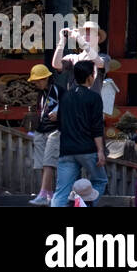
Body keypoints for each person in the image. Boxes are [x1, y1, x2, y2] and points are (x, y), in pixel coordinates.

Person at [52, 60, 107, 207]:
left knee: (62, 191)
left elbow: (60, 123)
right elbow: (97, 127)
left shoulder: (65, 97)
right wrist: (100, 150)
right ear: (90, 77)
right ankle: (82, 205)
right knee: (100, 181)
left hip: (66, 149)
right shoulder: (94, 97)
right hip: (87, 148)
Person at [26, 64, 61, 206]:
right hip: (41, 130)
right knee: (40, 163)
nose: (37, 83)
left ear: (47, 78)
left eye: (40, 80)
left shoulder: (59, 90)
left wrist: (59, 114)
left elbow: (68, 107)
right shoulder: (41, 93)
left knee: (49, 162)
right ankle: (47, 192)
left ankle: (42, 193)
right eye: (36, 80)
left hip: (54, 130)